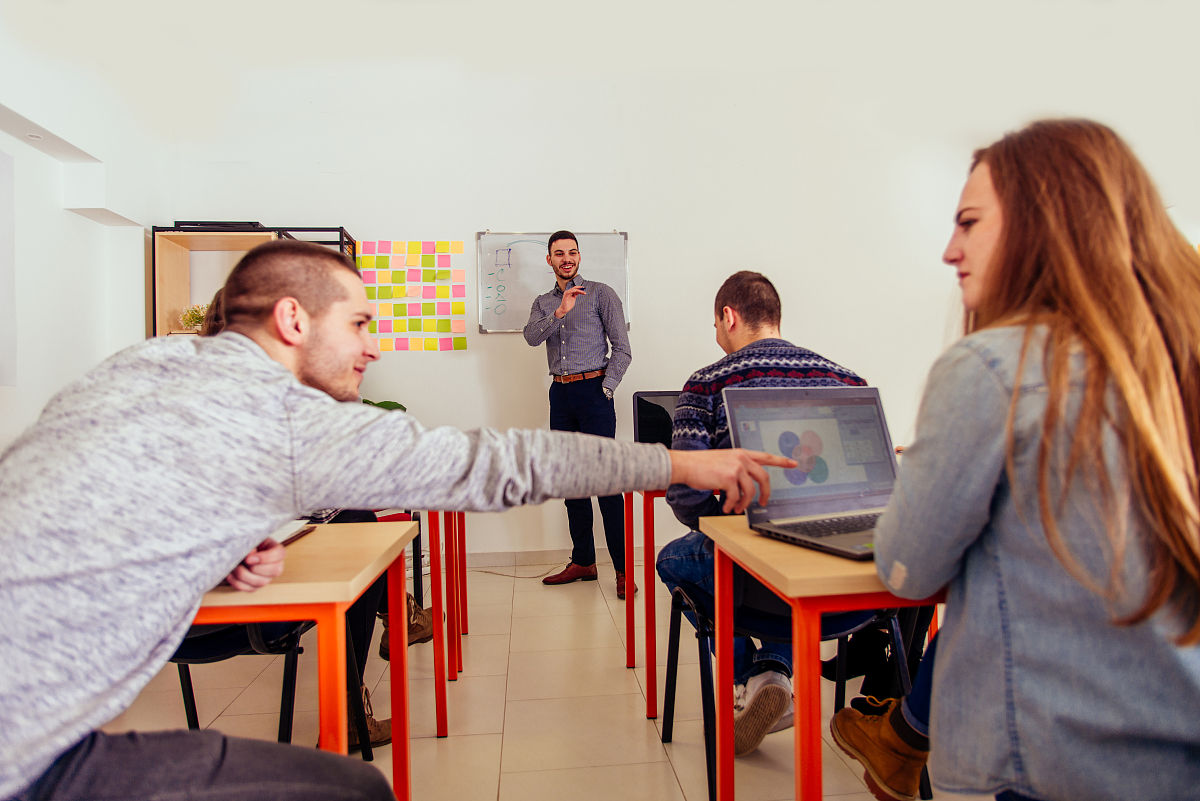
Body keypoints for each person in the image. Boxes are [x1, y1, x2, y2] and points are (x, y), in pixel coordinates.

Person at [0, 239, 793, 801]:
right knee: (351, 788)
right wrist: (679, 465)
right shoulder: (285, 419)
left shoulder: (141, 365)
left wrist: (215, 548)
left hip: (45, 733)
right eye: (360, 324)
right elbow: (498, 464)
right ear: (292, 320)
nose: (372, 348)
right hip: (23, 756)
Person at [832, 119, 1200, 801]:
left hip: (1060, 767)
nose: (949, 250)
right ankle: (901, 733)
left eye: (969, 222)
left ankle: (897, 735)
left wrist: (930, 477)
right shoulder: (1175, 361)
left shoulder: (992, 366)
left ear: (1045, 223)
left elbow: (906, 567)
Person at [656, 270, 875, 756]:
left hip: (752, 580)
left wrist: (732, 530)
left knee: (674, 560)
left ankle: (747, 677)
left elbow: (686, 494)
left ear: (729, 317)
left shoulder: (708, 383)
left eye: (716, 325)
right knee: (781, 579)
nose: (717, 336)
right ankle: (776, 668)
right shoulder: (847, 379)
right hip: (853, 593)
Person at [523, 230, 636, 597]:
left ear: (579, 256)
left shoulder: (602, 294)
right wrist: (560, 313)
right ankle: (584, 561)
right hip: (561, 393)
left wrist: (606, 388)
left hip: (594, 392)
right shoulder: (544, 303)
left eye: (572, 252)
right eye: (559, 253)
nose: (566, 258)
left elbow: (622, 349)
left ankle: (622, 571)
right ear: (550, 260)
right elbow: (531, 337)